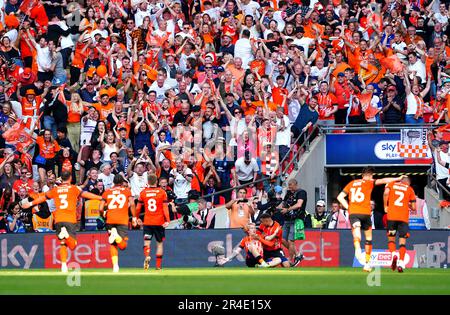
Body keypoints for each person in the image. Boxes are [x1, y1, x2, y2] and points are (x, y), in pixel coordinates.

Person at [20, 171, 104, 273]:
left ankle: (64, 265)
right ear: (70, 178)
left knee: (63, 243)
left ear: (62, 178)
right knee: (72, 245)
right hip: (70, 219)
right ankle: (67, 239)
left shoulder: (56, 189)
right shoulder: (74, 188)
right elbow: (86, 194)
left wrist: (30, 204)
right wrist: (100, 197)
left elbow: (43, 197)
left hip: (59, 219)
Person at [337, 167, 405, 272]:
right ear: (366, 176)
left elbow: (340, 197)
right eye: (371, 175)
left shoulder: (351, 183)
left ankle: (358, 249)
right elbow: (383, 180)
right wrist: (398, 178)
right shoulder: (369, 183)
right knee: (368, 239)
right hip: (366, 214)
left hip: (354, 212)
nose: (372, 177)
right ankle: (367, 264)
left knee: (357, 234)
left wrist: (348, 207)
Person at [99, 174, 136, 273]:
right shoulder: (127, 191)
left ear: (114, 182)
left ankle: (115, 266)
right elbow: (132, 204)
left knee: (113, 244)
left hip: (110, 219)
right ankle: (117, 237)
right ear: (121, 183)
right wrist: (134, 217)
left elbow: (100, 208)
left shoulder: (107, 192)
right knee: (122, 246)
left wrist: (103, 214)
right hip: (122, 220)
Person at [135, 173, 170, 271]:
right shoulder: (162, 192)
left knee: (147, 242)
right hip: (159, 222)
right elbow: (165, 207)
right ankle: (158, 266)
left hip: (148, 222)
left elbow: (138, 208)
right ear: (157, 182)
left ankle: (147, 256)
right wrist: (167, 220)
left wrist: (137, 218)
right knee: (159, 244)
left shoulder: (143, 193)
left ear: (148, 182)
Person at [383, 176, 416, 273]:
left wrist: (385, 206)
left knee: (391, 239)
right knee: (402, 242)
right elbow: (413, 207)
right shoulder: (410, 189)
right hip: (403, 219)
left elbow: (385, 193)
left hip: (392, 217)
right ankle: (401, 262)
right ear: (408, 183)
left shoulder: (392, 184)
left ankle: (394, 255)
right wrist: (408, 204)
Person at [275, 179, 305, 266]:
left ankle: (291, 260)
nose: (289, 187)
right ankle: (298, 254)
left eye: (291, 185)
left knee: (291, 241)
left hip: (296, 219)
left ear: (296, 184)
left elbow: (299, 205)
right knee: (283, 239)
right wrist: (276, 207)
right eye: (289, 185)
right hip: (287, 219)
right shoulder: (289, 193)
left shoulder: (301, 192)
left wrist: (287, 209)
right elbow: (284, 203)